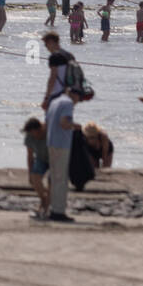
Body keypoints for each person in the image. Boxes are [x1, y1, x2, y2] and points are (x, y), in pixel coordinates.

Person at [45, 85, 85, 222]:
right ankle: (58, 211)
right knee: (61, 180)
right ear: (75, 95)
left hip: (51, 142)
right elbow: (64, 122)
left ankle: (51, 208)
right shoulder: (68, 103)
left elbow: (48, 121)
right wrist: (76, 126)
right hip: (61, 144)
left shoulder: (55, 101)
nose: (78, 102)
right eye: (79, 99)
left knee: (54, 178)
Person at [22, 117, 51, 219]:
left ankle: (45, 208)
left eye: (36, 133)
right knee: (34, 178)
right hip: (41, 159)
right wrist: (30, 173)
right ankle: (43, 199)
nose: (34, 136)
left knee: (51, 182)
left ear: (40, 129)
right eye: (32, 133)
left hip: (54, 159)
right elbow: (30, 156)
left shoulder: (49, 132)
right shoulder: (29, 136)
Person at [41, 32, 72, 111]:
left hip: (57, 94)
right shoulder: (68, 55)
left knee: (51, 121)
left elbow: (53, 77)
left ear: (51, 42)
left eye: (46, 44)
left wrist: (46, 98)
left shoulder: (54, 57)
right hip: (69, 94)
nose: (46, 47)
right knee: (65, 121)